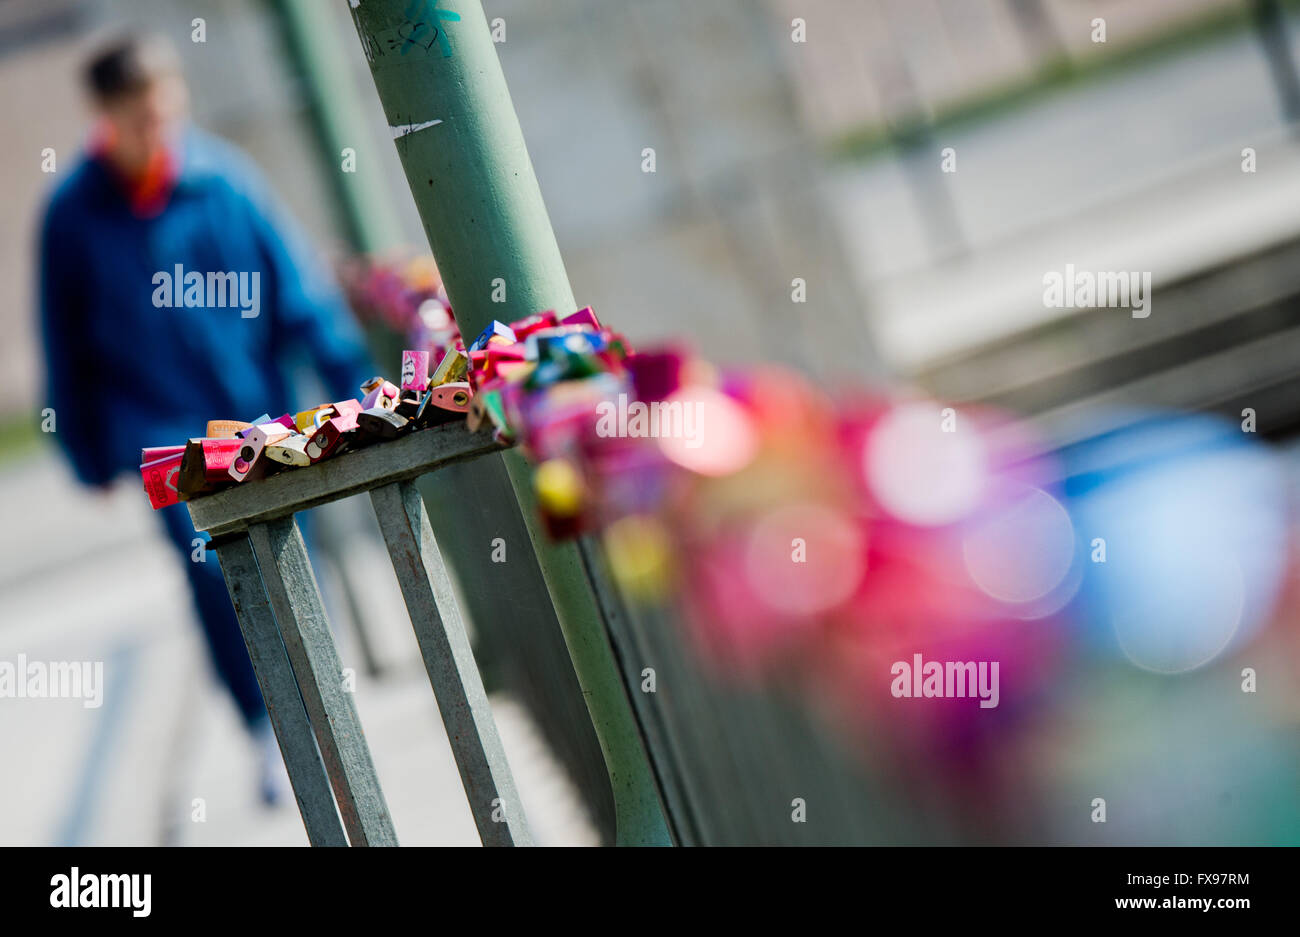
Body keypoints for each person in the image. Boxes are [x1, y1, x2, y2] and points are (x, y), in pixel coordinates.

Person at [37, 34, 373, 804]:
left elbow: (299, 291)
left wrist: (351, 380)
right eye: (139, 117)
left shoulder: (225, 182)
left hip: (255, 419)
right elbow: (64, 341)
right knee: (216, 569)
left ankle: (322, 712)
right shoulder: (72, 217)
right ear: (107, 116)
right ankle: (268, 729)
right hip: (158, 437)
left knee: (292, 560)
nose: (158, 129)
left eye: (166, 110)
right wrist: (86, 454)